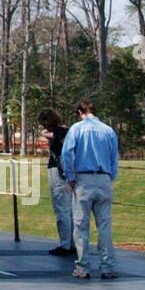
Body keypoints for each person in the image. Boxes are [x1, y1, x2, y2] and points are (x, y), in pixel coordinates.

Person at [60, 98, 119, 280]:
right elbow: (114, 157)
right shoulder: (108, 131)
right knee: (104, 225)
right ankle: (107, 266)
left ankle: (83, 266)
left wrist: (70, 177)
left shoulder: (77, 129)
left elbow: (67, 153)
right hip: (103, 178)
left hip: (83, 179)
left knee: (81, 225)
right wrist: (110, 176)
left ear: (80, 112)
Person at [39, 108, 75, 256]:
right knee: (70, 210)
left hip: (58, 172)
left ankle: (65, 244)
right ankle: (72, 243)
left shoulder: (60, 132)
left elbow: (47, 134)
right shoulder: (64, 131)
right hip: (67, 172)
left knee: (62, 209)